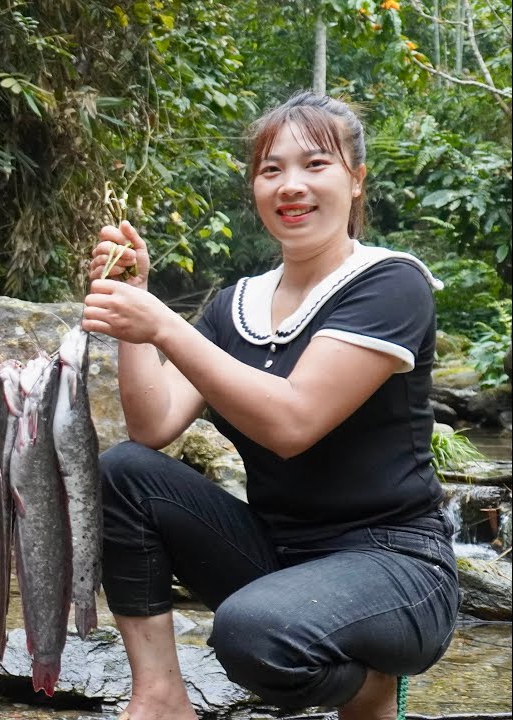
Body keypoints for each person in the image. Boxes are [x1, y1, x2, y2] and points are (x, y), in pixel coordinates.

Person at [81, 92, 458, 720]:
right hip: (278, 554)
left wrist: (167, 327)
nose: (291, 186)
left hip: (397, 564)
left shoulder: (392, 283)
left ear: (357, 182)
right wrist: (135, 311)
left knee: (252, 632)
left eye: (316, 165)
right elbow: (153, 427)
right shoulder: (237, 305)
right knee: (126, 472)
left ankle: (372, 685)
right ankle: (159, 696)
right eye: (270, 169)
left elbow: (292, 423)